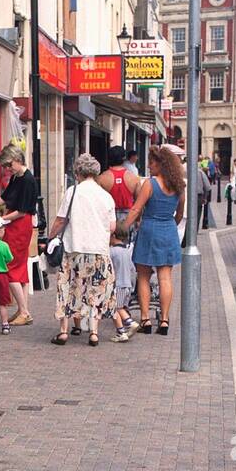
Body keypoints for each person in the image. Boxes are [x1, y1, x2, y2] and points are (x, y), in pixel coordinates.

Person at [48, 154, 116, 348]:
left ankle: (63, 331)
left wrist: (51, 237)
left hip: (74, 248)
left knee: (68, 288)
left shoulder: (73, 192)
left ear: (78, 172)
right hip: (98, 250)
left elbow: (61, 220)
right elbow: (112, 227)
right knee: (94, 291)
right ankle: (93, 333)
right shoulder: (105, 196)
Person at [124, 144, 186, 336]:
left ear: (161, 164)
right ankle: (165, 320)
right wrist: (169, 224)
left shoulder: (150, 184)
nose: (150, 167)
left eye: (151, 163)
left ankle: (145, 319)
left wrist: (122, 227)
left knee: (143, 276)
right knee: (165, 277)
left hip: (149, 229)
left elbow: (136, 209)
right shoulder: (178, 186)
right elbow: (180, 214)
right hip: (168, 229)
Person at [0, 144, 39, 325]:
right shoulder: (17, 177)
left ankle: (25, 311)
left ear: (18, 160)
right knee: (19, 268)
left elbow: (21, 211)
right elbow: (4, 198)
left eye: (9, 165)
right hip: (17, 222)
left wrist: (1, 220)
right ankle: (22, 310)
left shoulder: (27, 180)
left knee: (10, 266)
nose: (8, 169)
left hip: (19, 224)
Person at [98, 145, 141, 338]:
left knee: (109, 259)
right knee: (126, 256)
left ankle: (113, 296)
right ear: (124, 159)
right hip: (128, 219)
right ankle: (123, 299)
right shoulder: (133, 178)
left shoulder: (102, 178)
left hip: (110, 217)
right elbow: (139, 203)